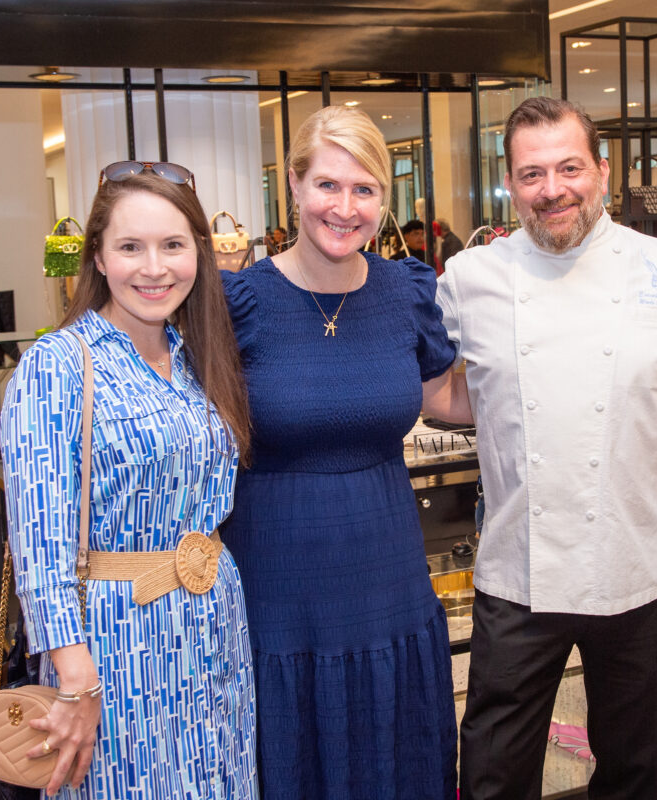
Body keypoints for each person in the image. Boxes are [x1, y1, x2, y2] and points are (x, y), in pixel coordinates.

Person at [437, 96, 657, 799]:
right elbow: (433, 390)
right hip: (517, 572)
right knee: (493, 773)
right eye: (531, 174)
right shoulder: (470, 279)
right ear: (510, 184)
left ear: (603, 172)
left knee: (630, 770)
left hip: (638, 570)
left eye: (568, 168)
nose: (551, 189)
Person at [219, 106, 467, 799]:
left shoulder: (406, 291)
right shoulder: (238, 301)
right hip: (276, 579)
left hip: (385, 568)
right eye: (328, 185)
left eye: (365, 190)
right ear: (294, 186)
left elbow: (445, 396)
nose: (345, 207)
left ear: (385, 201)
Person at [0, 161, 257, 798]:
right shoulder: (57, 365)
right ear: (98, 257)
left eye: (173, 245)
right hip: (116, 641)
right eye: (130, 247)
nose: (154, 267)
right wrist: (74, 676)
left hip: (213, 624)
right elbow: (39, 539)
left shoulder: (196, 356)